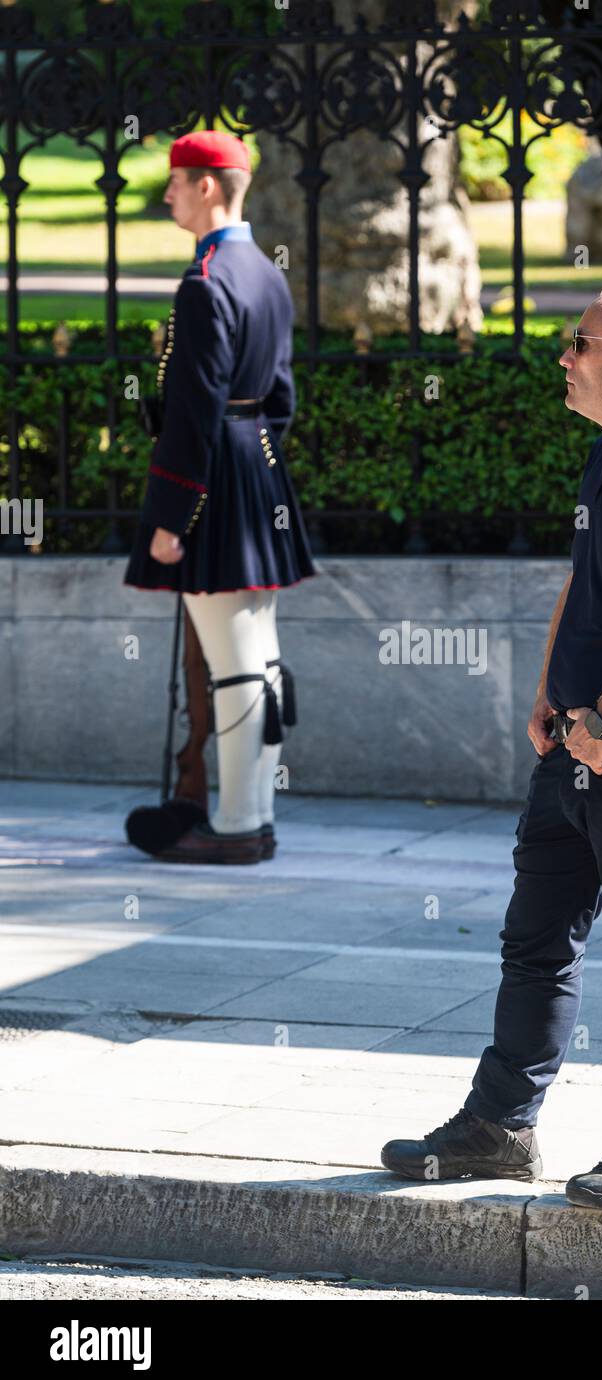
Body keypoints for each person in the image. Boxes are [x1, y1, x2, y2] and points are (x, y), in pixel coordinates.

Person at [381, 286, 602, 1208]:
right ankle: (501, 1126)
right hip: (577, 752)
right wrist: (552, 695)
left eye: (578, 343)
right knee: (535, 942)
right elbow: (582, 585)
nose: (562, 358)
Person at [123, 130, 316, 865]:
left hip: (214, 481)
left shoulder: (206, 279)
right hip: (256, 468)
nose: (168, 193)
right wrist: (254, 462)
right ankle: (252, 816)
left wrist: (171, 518)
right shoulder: (266, 273)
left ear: (208, 186)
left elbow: (193, 411)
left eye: (175, 182)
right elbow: (283, 399)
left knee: (236, 662)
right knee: (257, 657)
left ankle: (236, 826)